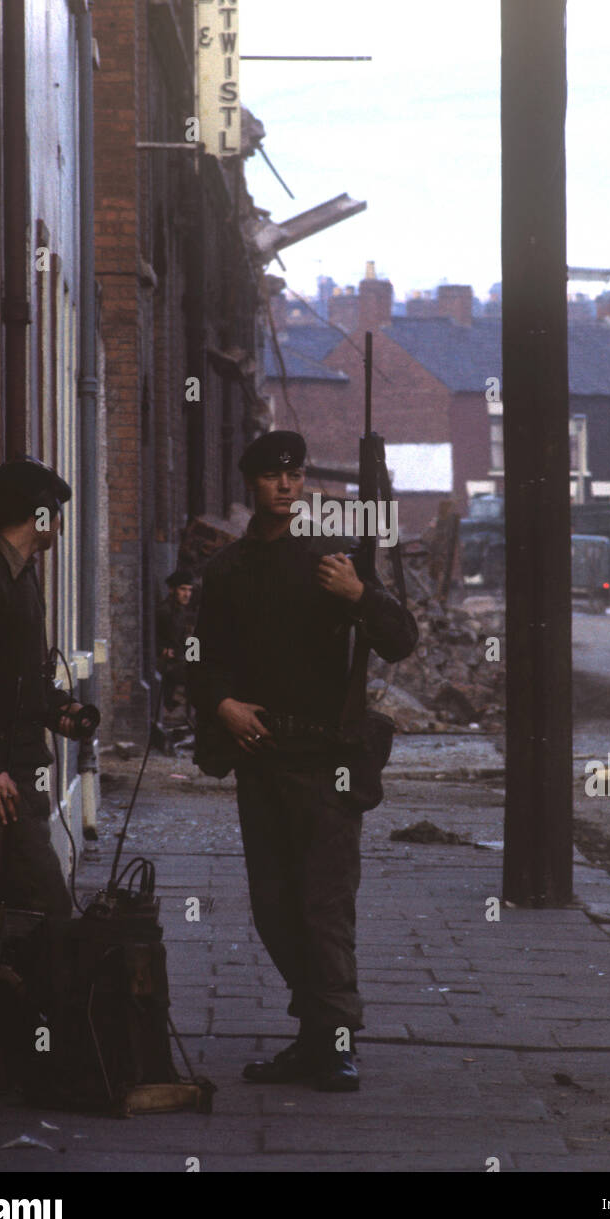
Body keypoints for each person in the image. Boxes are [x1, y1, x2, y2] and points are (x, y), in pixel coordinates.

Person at [187, 431, 418, 1091]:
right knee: (273, 906)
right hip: (260, 752)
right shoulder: (228, 570)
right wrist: (223, 703)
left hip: (326, 759)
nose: (285, 486)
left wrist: (358, 595)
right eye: (270, 475)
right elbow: (203, 659)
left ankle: (335, 1042)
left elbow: (401, 639)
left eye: (294, 474)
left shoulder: (332, 560)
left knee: (323, 905)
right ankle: (317, 1034)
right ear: (251, 483)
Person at [0, 455, 74, 920]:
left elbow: (22, 674)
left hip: (27, 764)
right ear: (40, 516)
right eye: (56, 516)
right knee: (46, 901)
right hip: (4, 775)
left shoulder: (23, 573)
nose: (60, 527)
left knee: (32, 902)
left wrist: (59, 709)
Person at [156, 570, 196, 715]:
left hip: (181, 660)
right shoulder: (164, 611)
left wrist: (195, 658)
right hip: (167, 663)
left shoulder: (183, 612)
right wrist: (161, 650)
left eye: (189, 590)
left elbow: (191, 639)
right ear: (172, 590)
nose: (187, 594)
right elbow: (152, 638)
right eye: (182, 589)